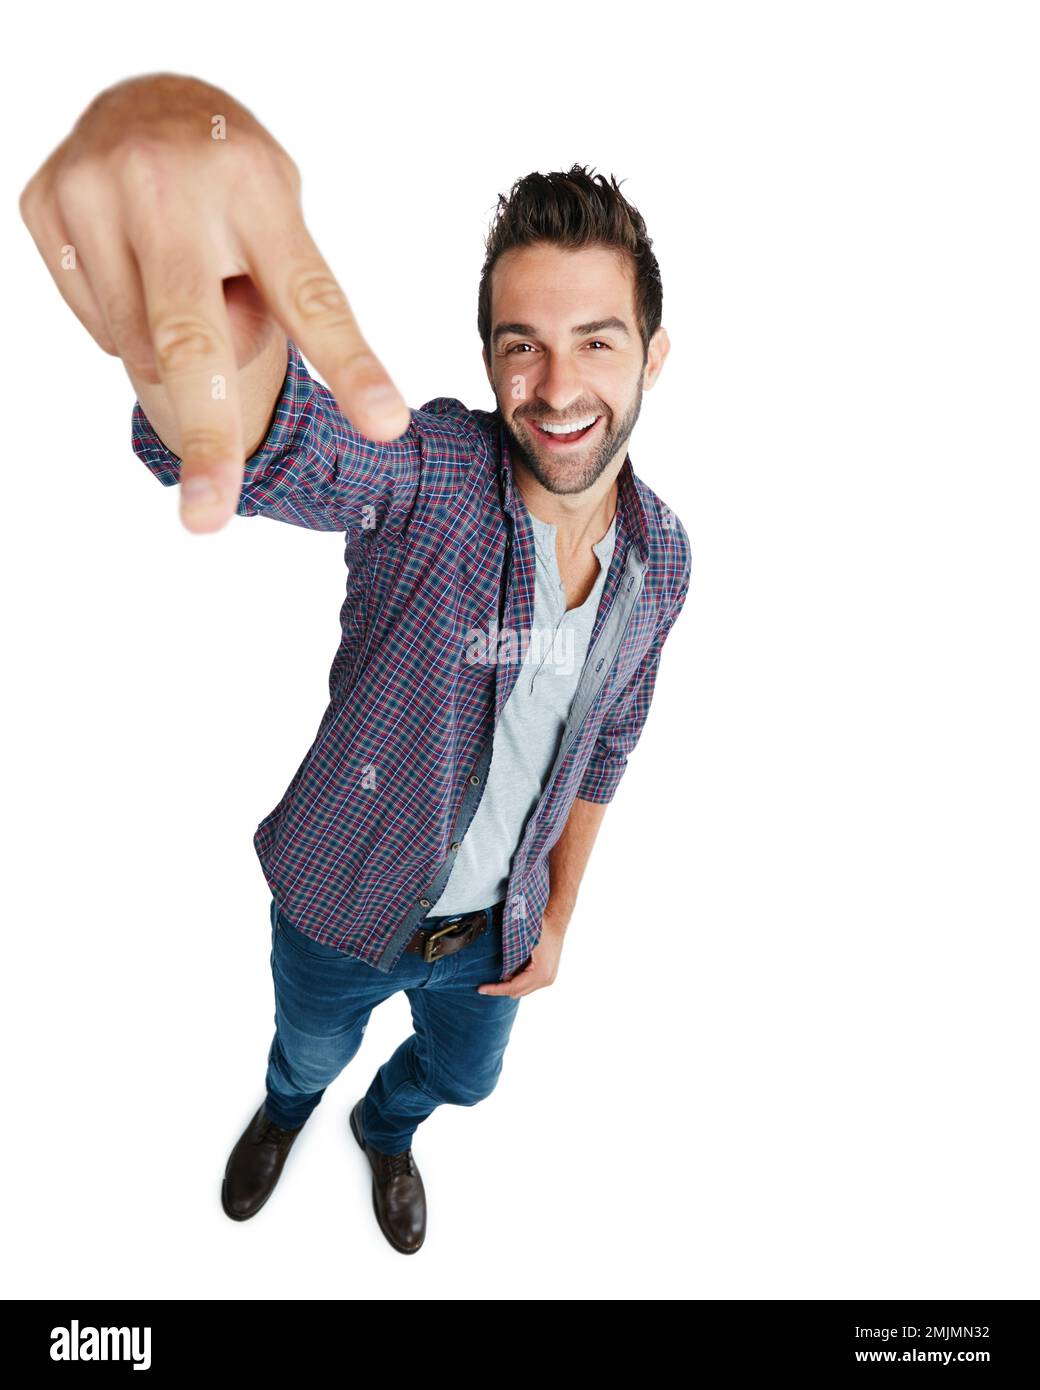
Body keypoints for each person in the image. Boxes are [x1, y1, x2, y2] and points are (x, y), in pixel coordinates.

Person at [20, 72, 692, 1255]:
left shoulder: (664, 556)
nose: (556, 387)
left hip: (495, 933)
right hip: (339, 909)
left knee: (464, 1081)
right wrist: (211, 363)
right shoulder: (434, 475)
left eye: (595, 340)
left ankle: (388, 1132)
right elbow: (310, 448)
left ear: (654, 352)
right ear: (487, 362)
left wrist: (559, 911)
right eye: (519, 346)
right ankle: (288, 1114)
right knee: (307, 1050)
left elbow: (614, 737)